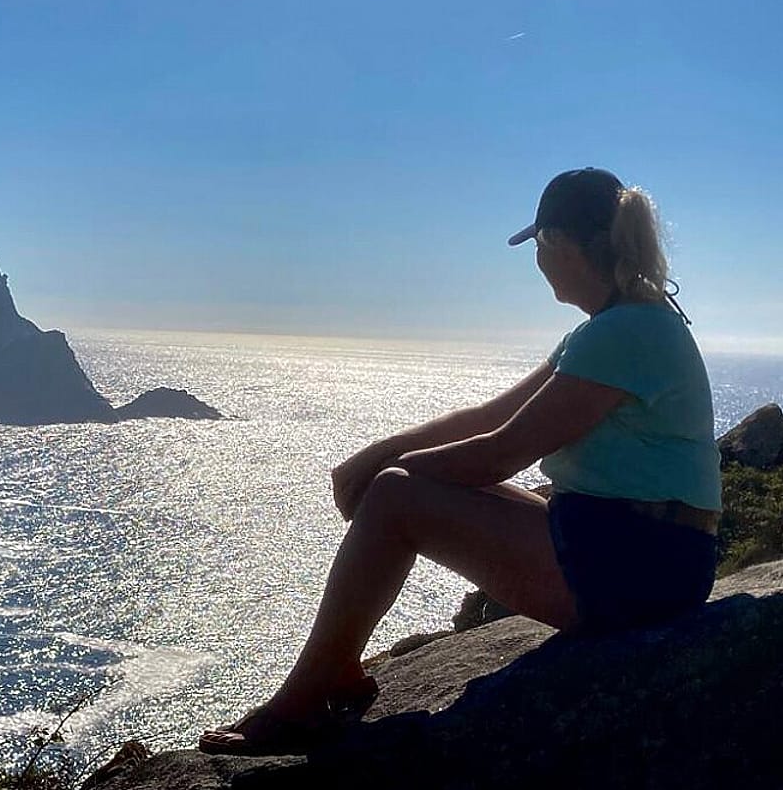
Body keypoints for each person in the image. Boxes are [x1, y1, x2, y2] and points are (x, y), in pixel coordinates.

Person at [197, 167, 722, 757]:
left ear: (560, 244)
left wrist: (388, 477)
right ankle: (332, 670)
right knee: (396, 484)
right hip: (636, 548)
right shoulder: (622, 325)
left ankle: (306, 697)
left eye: (539, 247)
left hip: (635, 567)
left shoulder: (622, 331)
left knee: (397, 497)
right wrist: (380, 453)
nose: (538, 264)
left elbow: (500, 453)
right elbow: (488, 416)